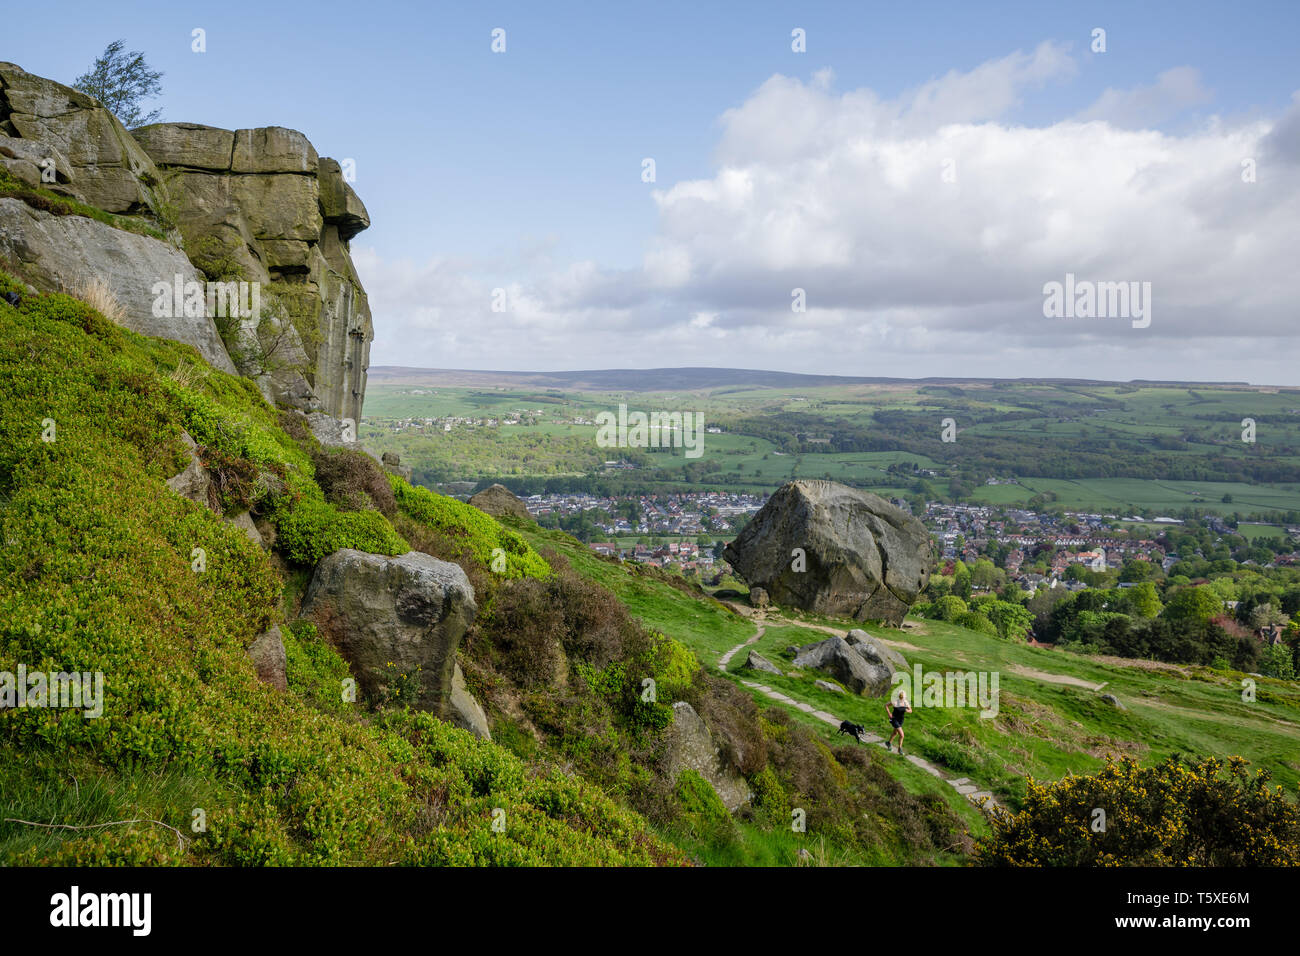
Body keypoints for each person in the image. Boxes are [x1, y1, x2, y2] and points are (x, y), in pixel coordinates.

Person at [884, 689, 912, 754]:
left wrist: (907, 711)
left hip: (901, 720)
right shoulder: (895, 702)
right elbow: (886, 705)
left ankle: (889, 743)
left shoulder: (906, 702)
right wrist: (889, 713)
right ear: (899, 697)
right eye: (901, 697)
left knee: (895, 733)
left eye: (903, 698)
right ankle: (900, 749)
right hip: (894, 719)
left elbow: (911, 710)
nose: (902, 699)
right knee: (902, 735)